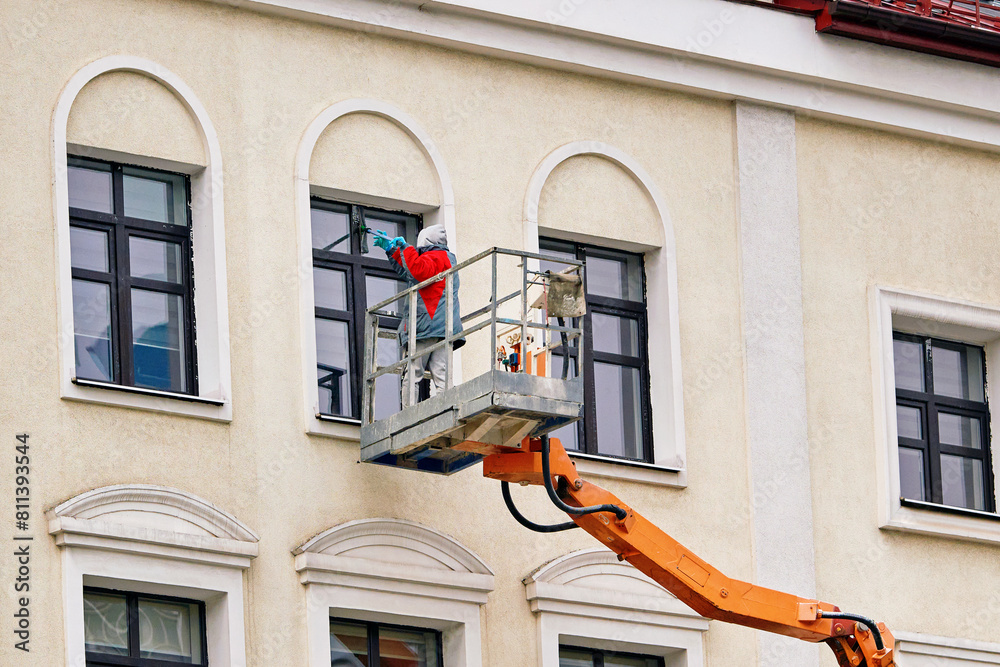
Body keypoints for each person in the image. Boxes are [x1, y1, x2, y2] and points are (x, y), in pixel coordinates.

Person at [372, 224, 463, 409]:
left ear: (426, 240)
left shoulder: (435, 257)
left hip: (425, 326)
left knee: (412, 373)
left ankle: (408, 414)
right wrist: (393, 251)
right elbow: (411, 272)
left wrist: (405, 248)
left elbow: (417, 270)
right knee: (442, 374)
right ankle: (444, 410)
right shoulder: (446, 259)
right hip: (444, 329)